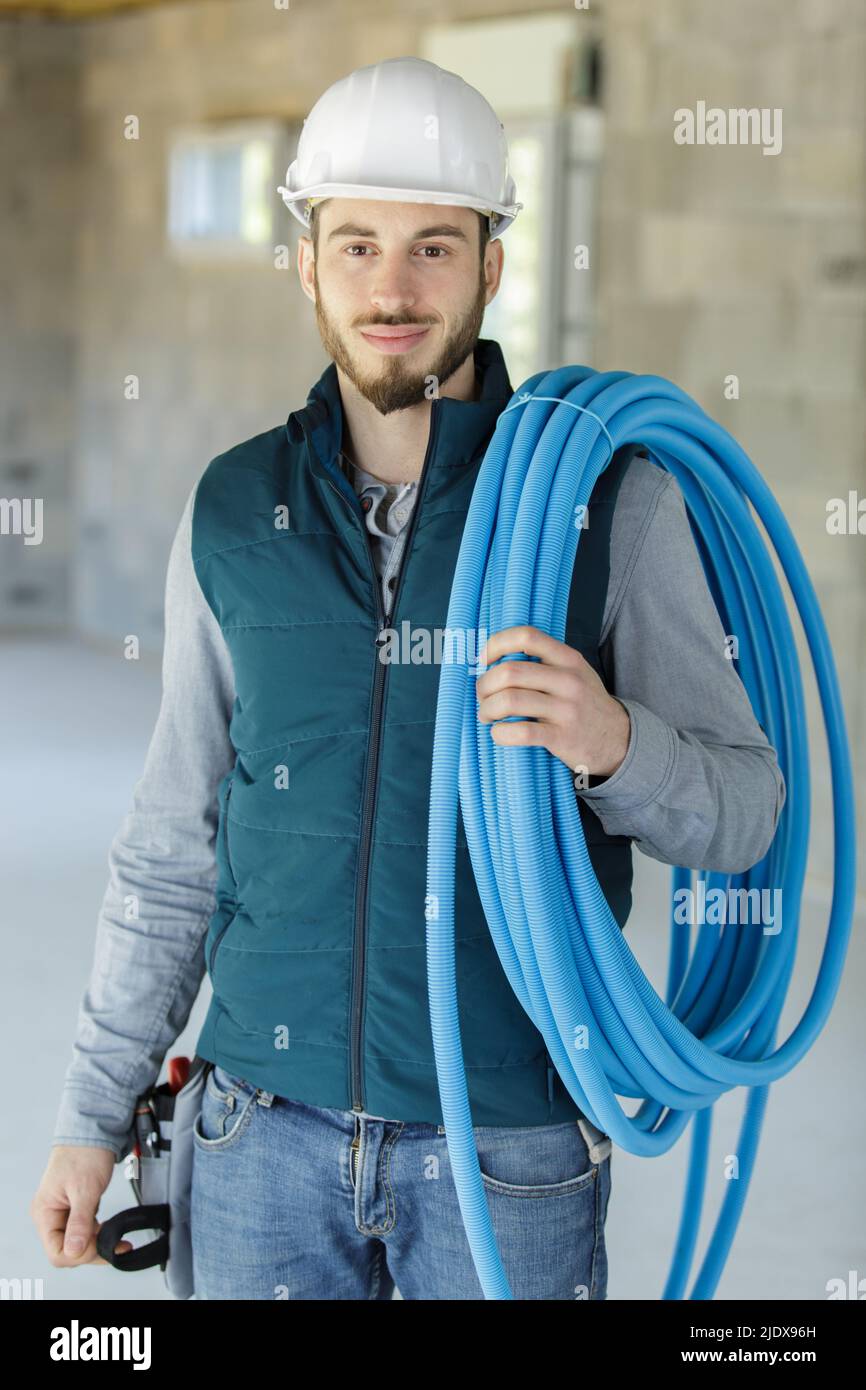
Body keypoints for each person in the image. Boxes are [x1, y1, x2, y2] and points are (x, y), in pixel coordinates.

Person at [31, 56, 785, 1300]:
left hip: (508, 1141)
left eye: (434, 247)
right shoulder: (232, 510)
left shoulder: (609, 501)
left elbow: (743, 812)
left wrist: (611, 742)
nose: (392, 287)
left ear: (493, 263)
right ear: (305, 261)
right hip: (252, 1135)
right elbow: (173, 842)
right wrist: (91, 1108)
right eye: (357, 243)